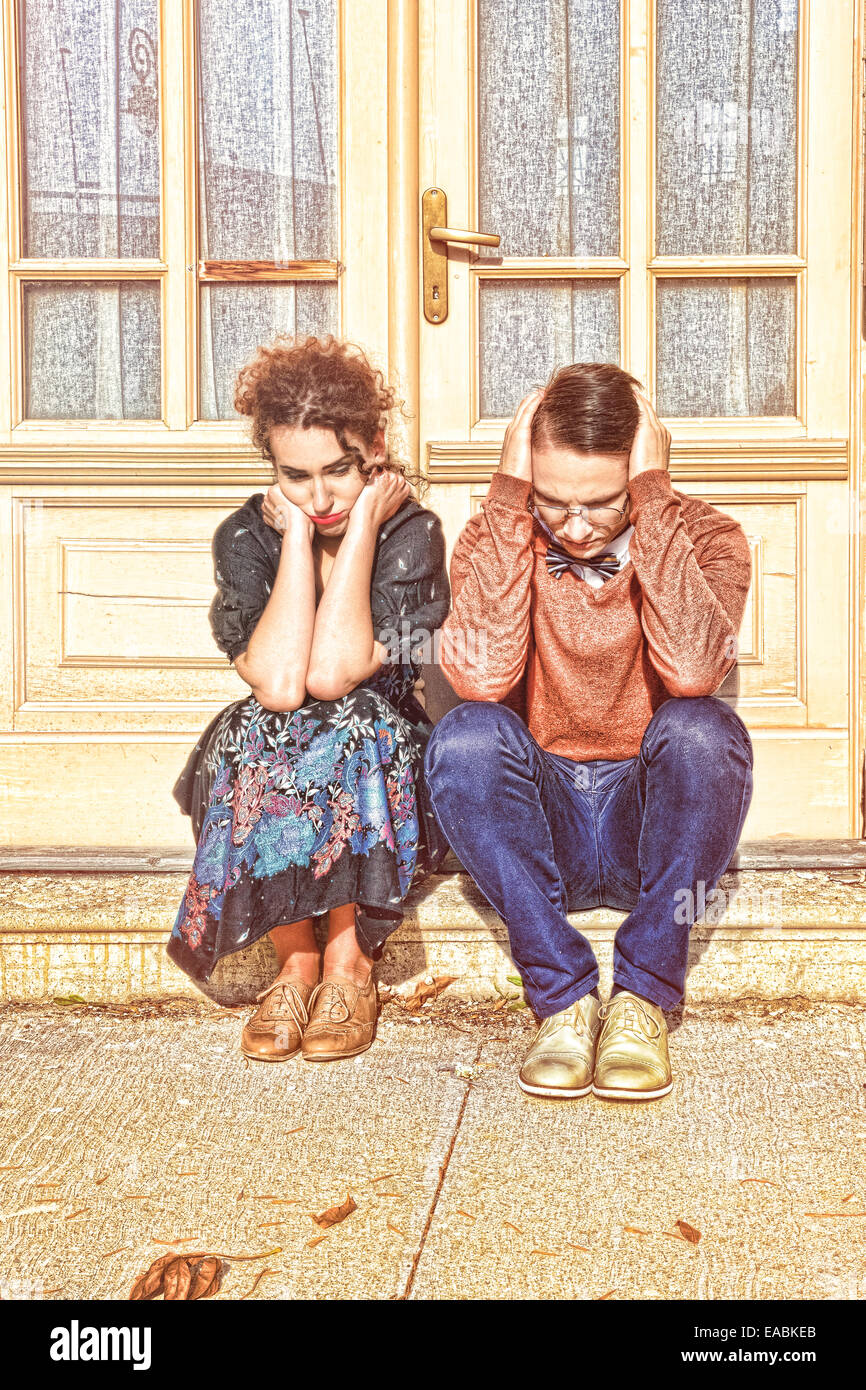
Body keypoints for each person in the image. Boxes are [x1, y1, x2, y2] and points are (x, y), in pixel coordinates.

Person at [424, 362, 753, 1102]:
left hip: (651, 831)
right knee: (466, 736)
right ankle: (563, 997)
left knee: (703, 728)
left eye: (601, 505)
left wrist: (654, 508)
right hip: (550, 828)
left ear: (643, 471)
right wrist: (511, 505)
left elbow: (696, 669)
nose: (573, 528)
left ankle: (642, 998)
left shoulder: (707, 538)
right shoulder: (497, 534)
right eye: (553, 502)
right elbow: (479, 678)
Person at [167, 335, 450, 1064]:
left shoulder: (410, 534)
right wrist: (295, 539)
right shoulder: (246, 536)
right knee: (250, 726)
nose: (319, 497)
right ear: (272, 468)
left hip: (383, 758)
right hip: (283, 741)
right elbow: (281, 681)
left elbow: (335, 674)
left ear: (375, 452)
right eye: (295, 477)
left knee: (347, 722)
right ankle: (295, 959)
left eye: (338, 473)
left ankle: (349, 959)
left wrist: (358, 532)